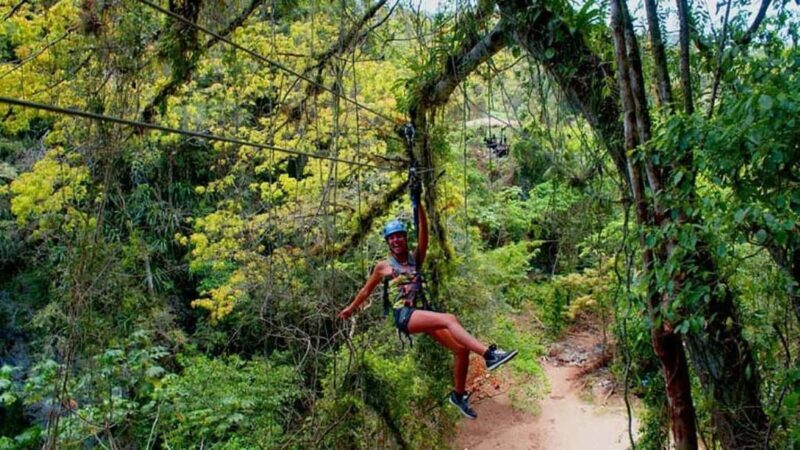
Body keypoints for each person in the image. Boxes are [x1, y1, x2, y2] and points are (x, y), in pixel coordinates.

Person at [337, 174, 517, 420]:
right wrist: (351, 308)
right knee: (449, 318)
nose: (397, 241)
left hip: (420, 313)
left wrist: (417, 202)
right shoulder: (383, 267)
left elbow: (425, 232)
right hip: (403, 315)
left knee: (461, 350)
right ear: (388, 243)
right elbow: (365, 291)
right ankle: (489, 355)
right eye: (393, 238)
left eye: (400, 236)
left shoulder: (415, 259)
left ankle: (458, 395)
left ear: (404, 238)